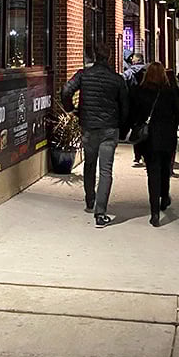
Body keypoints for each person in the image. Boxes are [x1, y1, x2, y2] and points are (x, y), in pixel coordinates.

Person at [61, 42, 129, 228]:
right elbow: (125, 107)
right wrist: (121, 127)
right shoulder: (117, 79)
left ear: (94, 56)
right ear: (108, 57)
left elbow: (66, 90)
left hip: (89, 127)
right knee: (105, 170)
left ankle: (90, 199)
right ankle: (101, 212)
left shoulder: (84, 75)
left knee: (89, 164)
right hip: (109, 129)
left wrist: (72, 110)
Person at [130, 61, 179, 227]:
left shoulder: (140, 91)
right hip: (167, 138)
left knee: (152, 173)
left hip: (148, 140)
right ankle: (165, 197)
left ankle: (154, 212)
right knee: (165, 169)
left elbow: (133, 115)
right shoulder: (171, 92)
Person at [125, 52, 147, 166]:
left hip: (133, 105)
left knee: (136, 129)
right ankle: (145, 153)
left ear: (136, 60)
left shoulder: (129, 72)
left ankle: (138, 155)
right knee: (145, 128)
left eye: (132, 58)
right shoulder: (148, 71)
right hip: (146, 104)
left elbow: (123, 82)